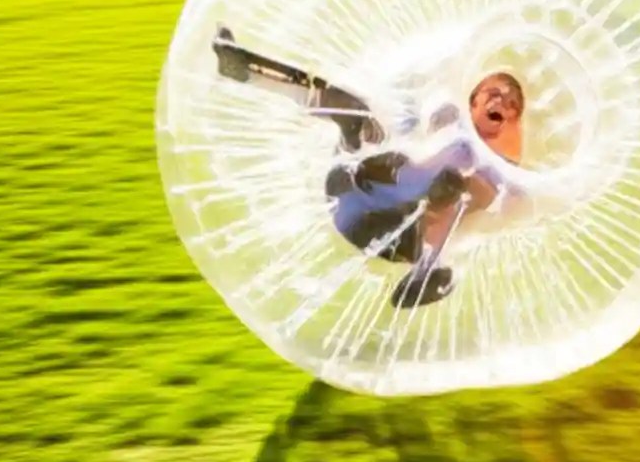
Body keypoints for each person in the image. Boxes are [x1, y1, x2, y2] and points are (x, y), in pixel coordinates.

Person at [211, 25, 526, 309]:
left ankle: (427, 269)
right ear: (474, 100)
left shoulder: (494, 168)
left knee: (453, 184)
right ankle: (242, 67)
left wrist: (470, 185)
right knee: (356, 111)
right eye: (494, 94)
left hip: (386, 229)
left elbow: (494, 202)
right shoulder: (446, 117)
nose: (502, 102)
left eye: (511, 104)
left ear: (512, 121)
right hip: (352, 188)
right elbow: (408, 130)